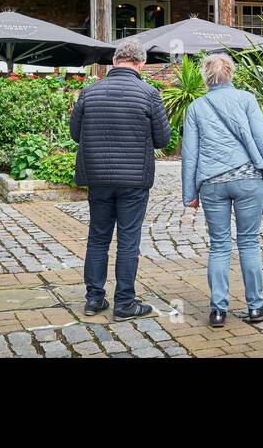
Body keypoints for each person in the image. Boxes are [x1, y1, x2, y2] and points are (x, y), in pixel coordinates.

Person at [181, 53, 263, 328]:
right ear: (231, 73)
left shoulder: (196, 107)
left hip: (211, 184)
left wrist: (189, 193)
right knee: (249, 242)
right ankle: (255, 306)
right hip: (247, 180)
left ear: (205, 76)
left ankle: (218, 310)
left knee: (218, 245)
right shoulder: (246, 99)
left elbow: (189, 153)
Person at [69, 37, 170, 320]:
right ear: (141, 64)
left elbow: (75, 134)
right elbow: (163, 139)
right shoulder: (150, 94)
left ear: (114, 62)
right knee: (128, 240)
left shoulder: (89, 92)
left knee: (97, 238)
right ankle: (125, 303)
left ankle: (94, 299)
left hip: (98, 177)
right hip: (134, 180)